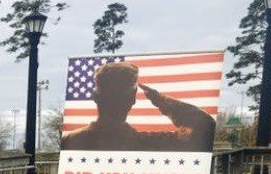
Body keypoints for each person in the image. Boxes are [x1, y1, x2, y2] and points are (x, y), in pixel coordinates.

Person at [61, 61, 215, 152]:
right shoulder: (147, 142)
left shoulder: (70, 141)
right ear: (132, 100)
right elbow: (206, 128)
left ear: (95, 97)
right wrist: (162, 101)